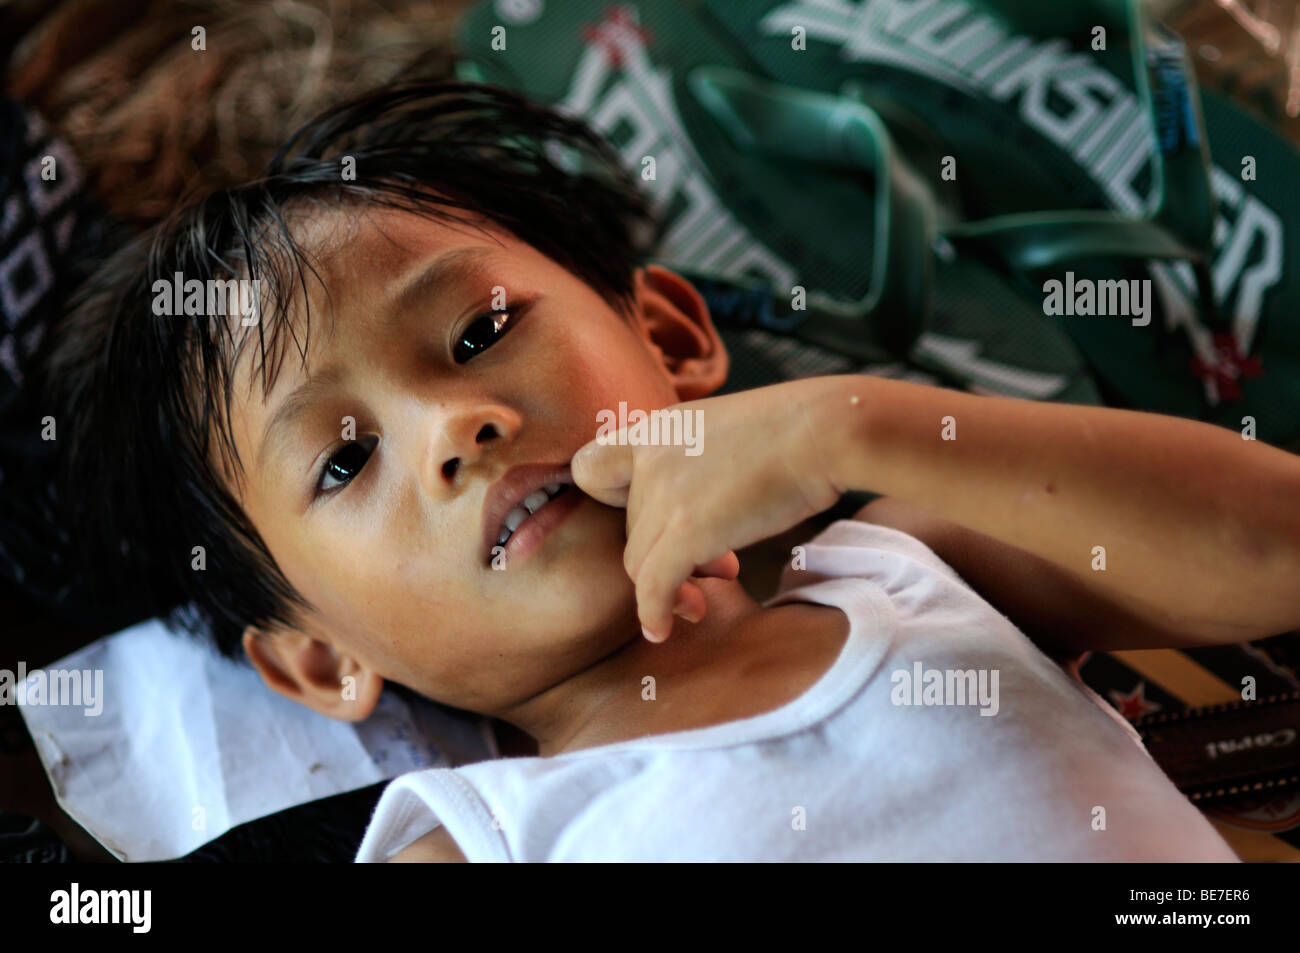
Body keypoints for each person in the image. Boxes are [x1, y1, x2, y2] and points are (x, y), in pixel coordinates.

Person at [47, 81, 1275, 862]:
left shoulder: (915, 564)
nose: (455, 425)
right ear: (320, 658)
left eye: (480, 332)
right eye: (346, 458)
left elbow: (1271, 547)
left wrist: (846, 429)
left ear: (676, 341)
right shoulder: (477, 842)